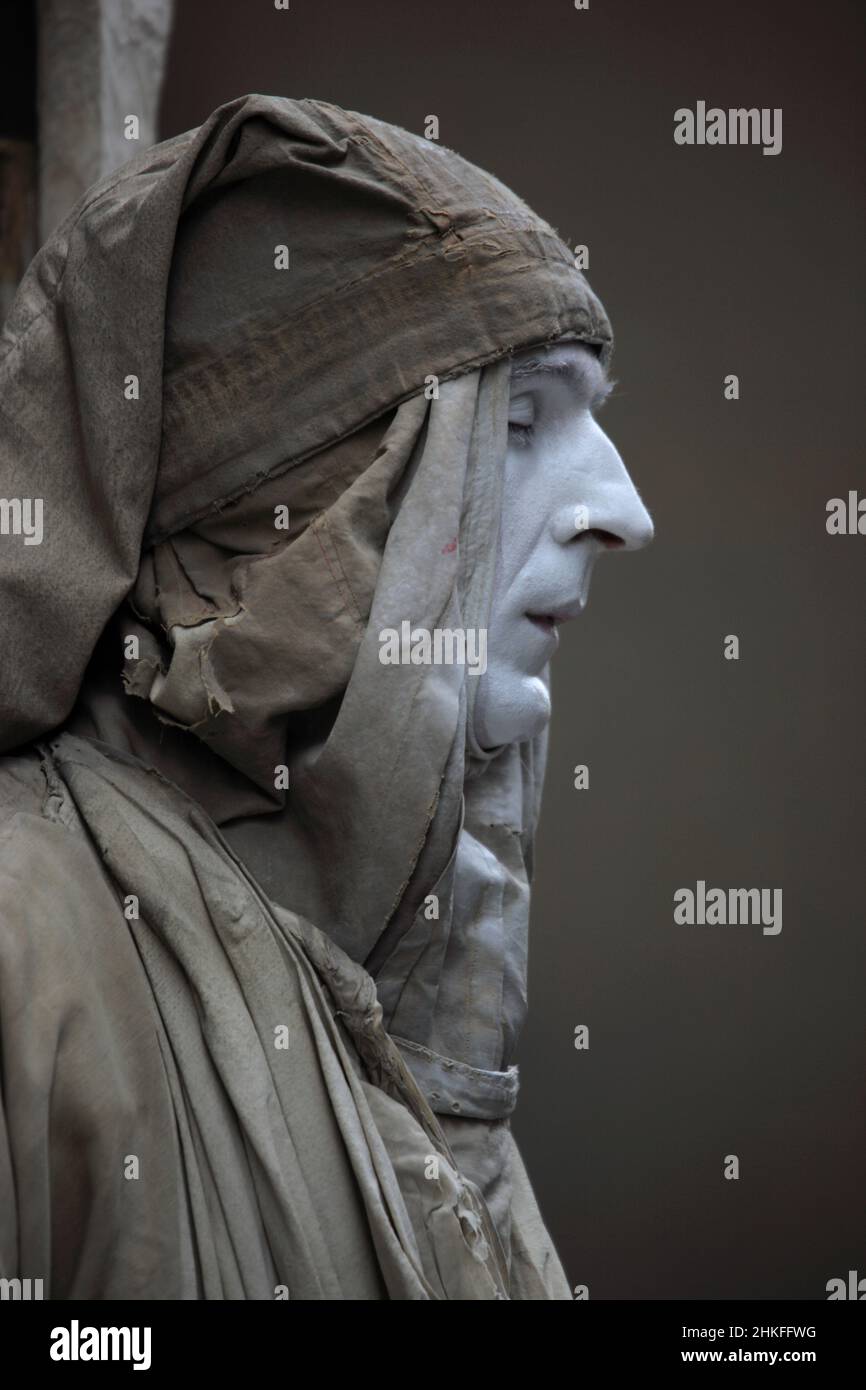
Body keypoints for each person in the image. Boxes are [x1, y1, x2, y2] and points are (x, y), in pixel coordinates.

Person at [0, 93, 651, 1299]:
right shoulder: (23, 952)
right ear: (286, 514)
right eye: (513, 423)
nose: (623, 511)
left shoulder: (402, 952)